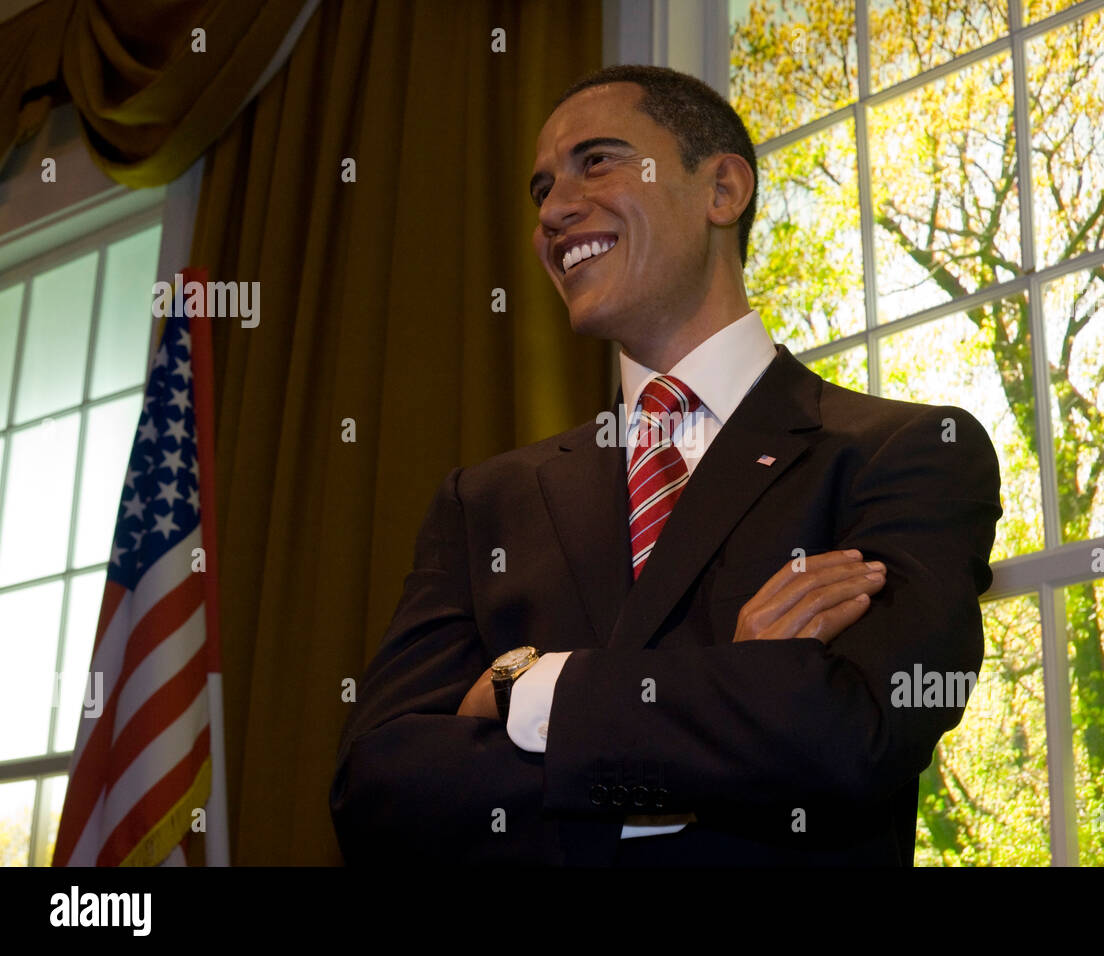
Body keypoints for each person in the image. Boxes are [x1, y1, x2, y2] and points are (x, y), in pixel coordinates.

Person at [329, 64, 1002, 866]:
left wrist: (523, 689)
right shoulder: (483, 502)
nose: (553, 210)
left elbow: (850, 732)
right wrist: (738, 695)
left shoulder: (908, 454)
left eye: (596, 161)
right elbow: (378, 789)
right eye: (541, 188)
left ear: (722, 189)